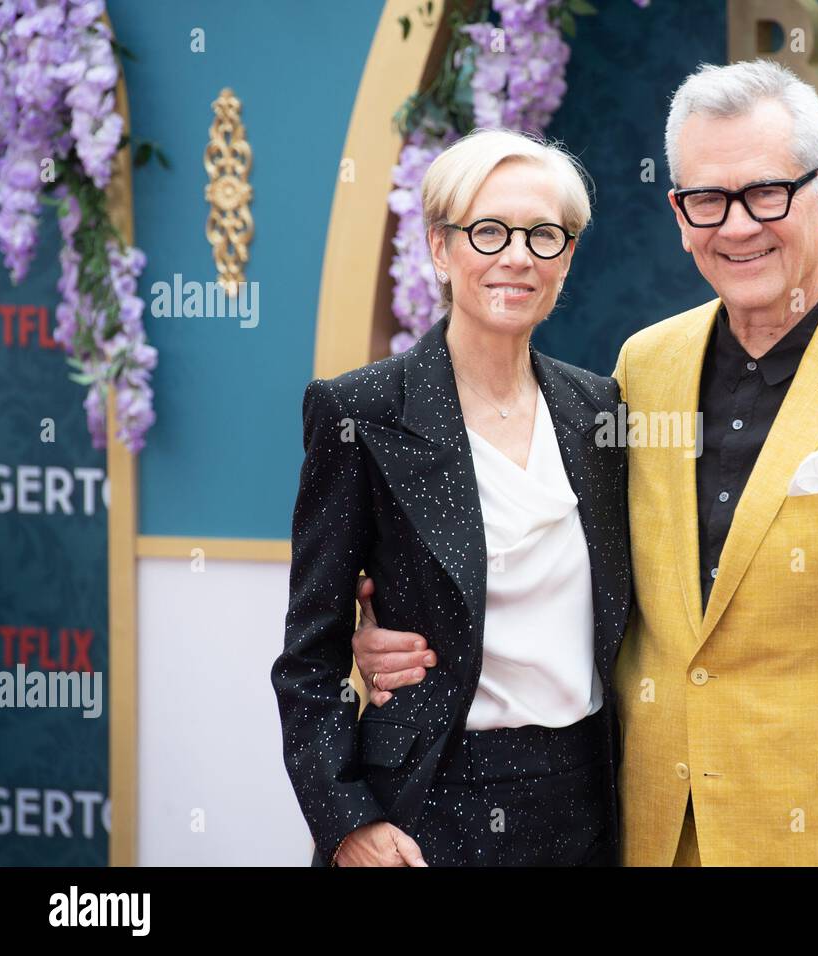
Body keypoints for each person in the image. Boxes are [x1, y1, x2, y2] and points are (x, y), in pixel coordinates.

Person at [353, 59, 818, 866]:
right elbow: (580, 580)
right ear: (679, 213)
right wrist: (402, 634)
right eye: (708, 199)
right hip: (645, 834)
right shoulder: (645, 369)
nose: (737, 226)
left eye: (767, 192)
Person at [270, 127, 631, 866]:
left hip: (584, 796)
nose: (518, 256)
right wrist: (347, 822)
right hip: (427, 802)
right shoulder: (360, 411)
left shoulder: (601, 412)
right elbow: (309, 658)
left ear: (567, 258)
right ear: (440, 249)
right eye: (489, 230)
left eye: (545, 235)